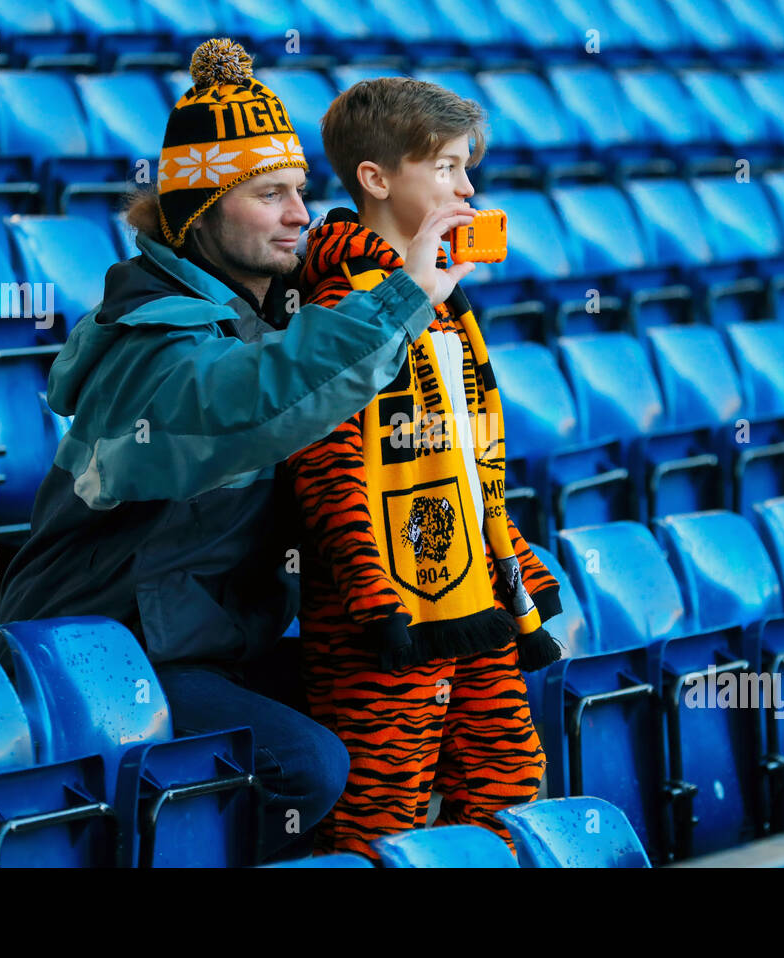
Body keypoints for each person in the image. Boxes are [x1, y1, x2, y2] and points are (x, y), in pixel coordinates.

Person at [0, 39, 477, 863]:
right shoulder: (144, 341)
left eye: (300, 191)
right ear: (197, 211)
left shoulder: (281, 307)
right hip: (108, 643)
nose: (300, 214)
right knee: (304, 764)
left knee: (440, 696)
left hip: (218, 640)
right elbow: (247, 400)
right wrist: (400, 299)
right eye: (269, 196)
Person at [285, 77, 563, 860]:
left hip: (476, 601)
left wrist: (512, 558)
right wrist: (377, 600)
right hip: (385, 623)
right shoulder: (337, 307)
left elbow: (476, 462)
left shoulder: (442, 300)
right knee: (383, 817)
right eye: (445, 168)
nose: (466, 187)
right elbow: (327, 466)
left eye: (465, 168)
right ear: (375, 179)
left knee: (508, 789)